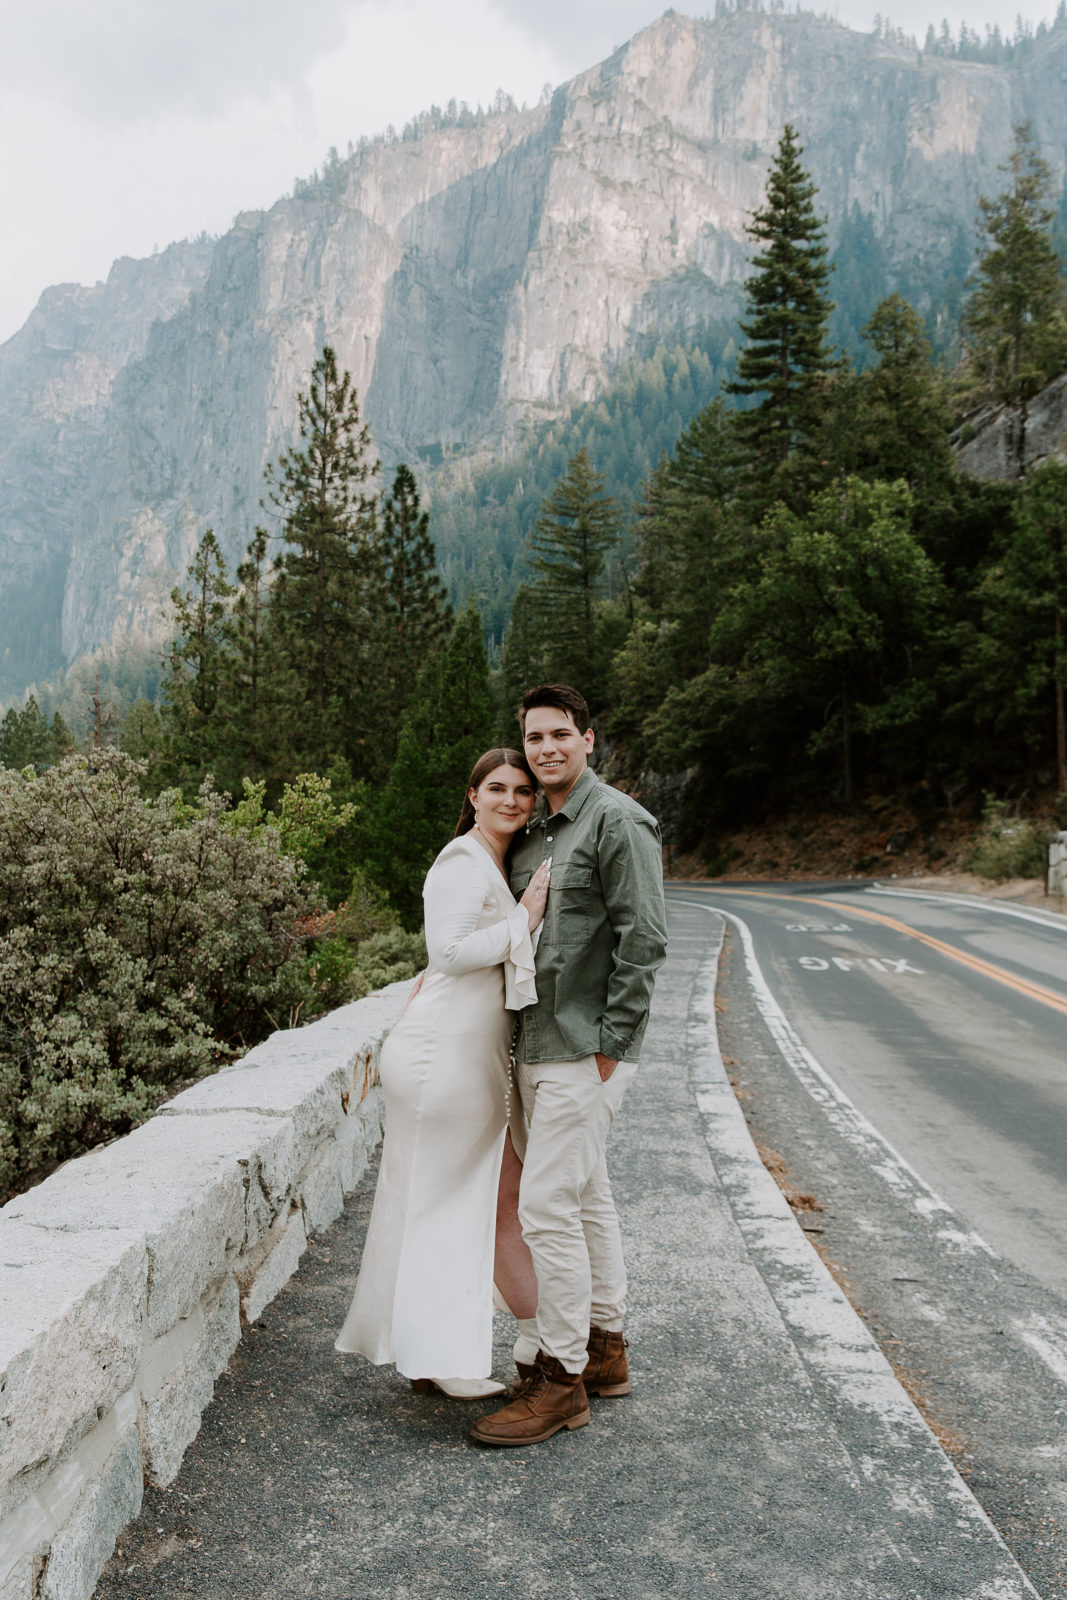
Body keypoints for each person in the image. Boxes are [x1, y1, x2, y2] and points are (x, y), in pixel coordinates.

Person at [471, 683, 668, 1447]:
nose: (546, 748)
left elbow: (643, 940)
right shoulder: (533, 831)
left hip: (583, 1050)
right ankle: (606, 1350)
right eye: (533, 737)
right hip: (533, 1044)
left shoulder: (617, 821)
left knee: (544, 1207)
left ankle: (560, 1382)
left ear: (589, 739)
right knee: (585, 1199)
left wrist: (611, 1045)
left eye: (560, 734)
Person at [335, 749, 547, 1397]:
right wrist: (524, 919)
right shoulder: (461, 860)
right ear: (473, 794)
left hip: (458, 1051)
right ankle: (448, 1364)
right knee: (449, 1204)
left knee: (431, 1200)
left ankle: (422, 1354)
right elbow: (447, 954)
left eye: (522, 791)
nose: (511, 799)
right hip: (440, 1058)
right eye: (497, 788)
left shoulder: (488, 859)